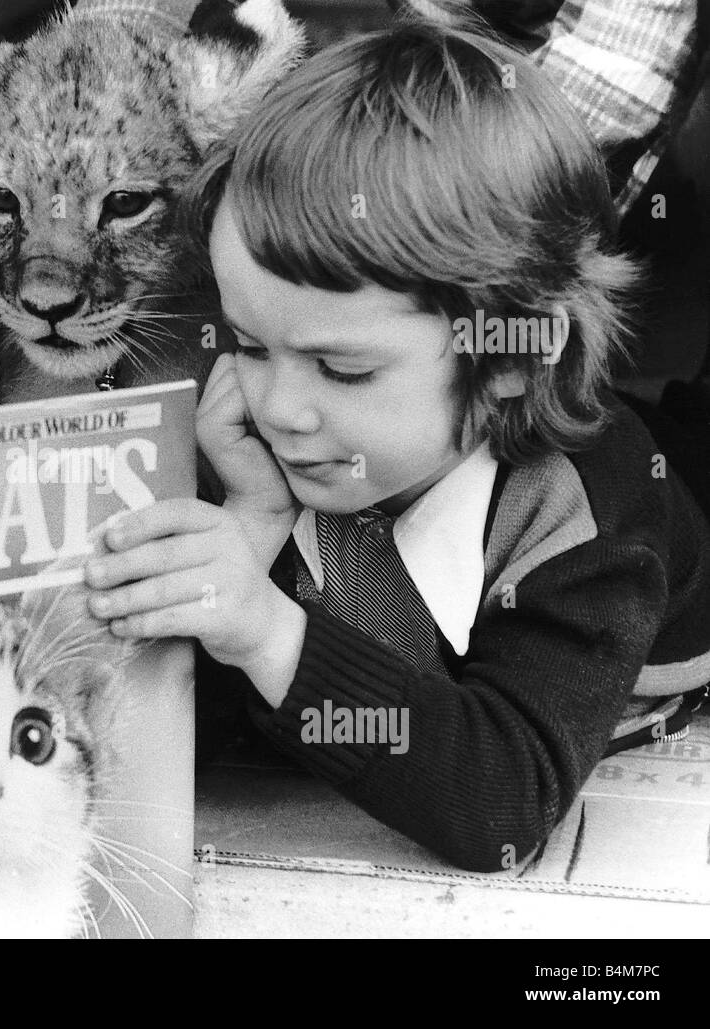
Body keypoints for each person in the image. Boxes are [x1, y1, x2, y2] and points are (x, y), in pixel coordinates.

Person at [82, 20, 710, 871]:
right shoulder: (263, 452)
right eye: (250, 345)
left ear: (513, 359)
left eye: (342, 369)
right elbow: (202, 747)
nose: (279, 408)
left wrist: (270, 631)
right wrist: (254, 532)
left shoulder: (587, 520)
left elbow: (504, 801)